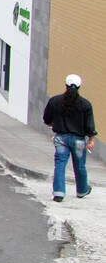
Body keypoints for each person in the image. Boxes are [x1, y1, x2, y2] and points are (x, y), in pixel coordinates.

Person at [42, 74, 95, 202]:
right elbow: (89, 125)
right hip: (78, 140)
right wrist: (91, 139)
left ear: (65, 85)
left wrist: (53, 124)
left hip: (60, 138)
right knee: (80, 166)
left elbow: (47, 119)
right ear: (79, 86)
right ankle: (82, 190)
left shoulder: (55, 101)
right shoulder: (85, 104)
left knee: (60, 164)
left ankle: (59, 193)